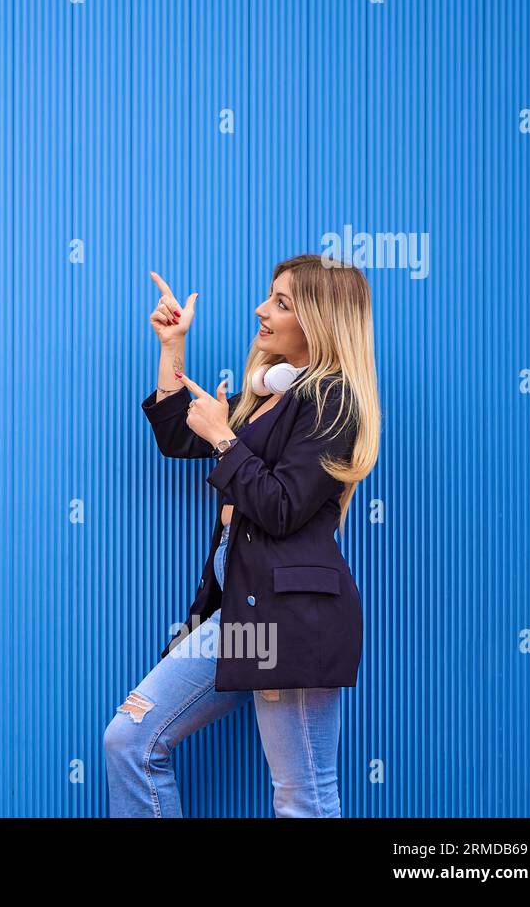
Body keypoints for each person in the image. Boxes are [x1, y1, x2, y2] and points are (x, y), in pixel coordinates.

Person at [103, 254, 380, 817]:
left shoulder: (334, 401)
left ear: (321, 321)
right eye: (269, 297)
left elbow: (281, 507)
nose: (261, 309)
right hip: (245, 617)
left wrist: (226, 439)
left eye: (281, 303)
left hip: (293, 617)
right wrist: (172, 349)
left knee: (303, 795)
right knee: (130, 739)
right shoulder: (272, 394)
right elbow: (181, 438)